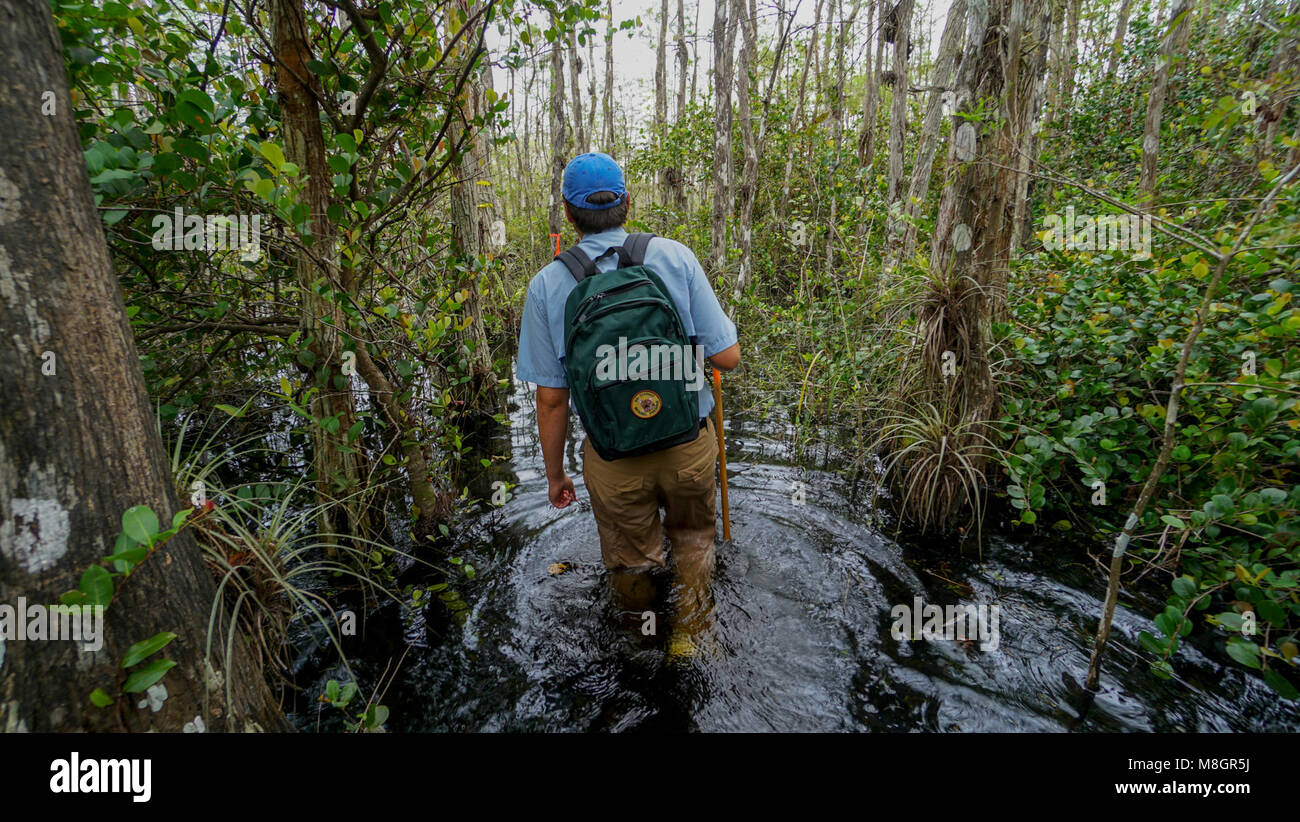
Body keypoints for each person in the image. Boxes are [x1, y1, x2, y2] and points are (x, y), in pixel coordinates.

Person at [516, 152, 739, 657]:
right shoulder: (675, 257)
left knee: (631, 559)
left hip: (614, 457)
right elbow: (727, 358)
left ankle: (642, 650)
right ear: (627, 204)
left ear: (569, 215)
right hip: (687, 444)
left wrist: (556, 477)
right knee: (694, 540)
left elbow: (551, 400)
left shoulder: (548, 285)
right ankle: (690, 638)